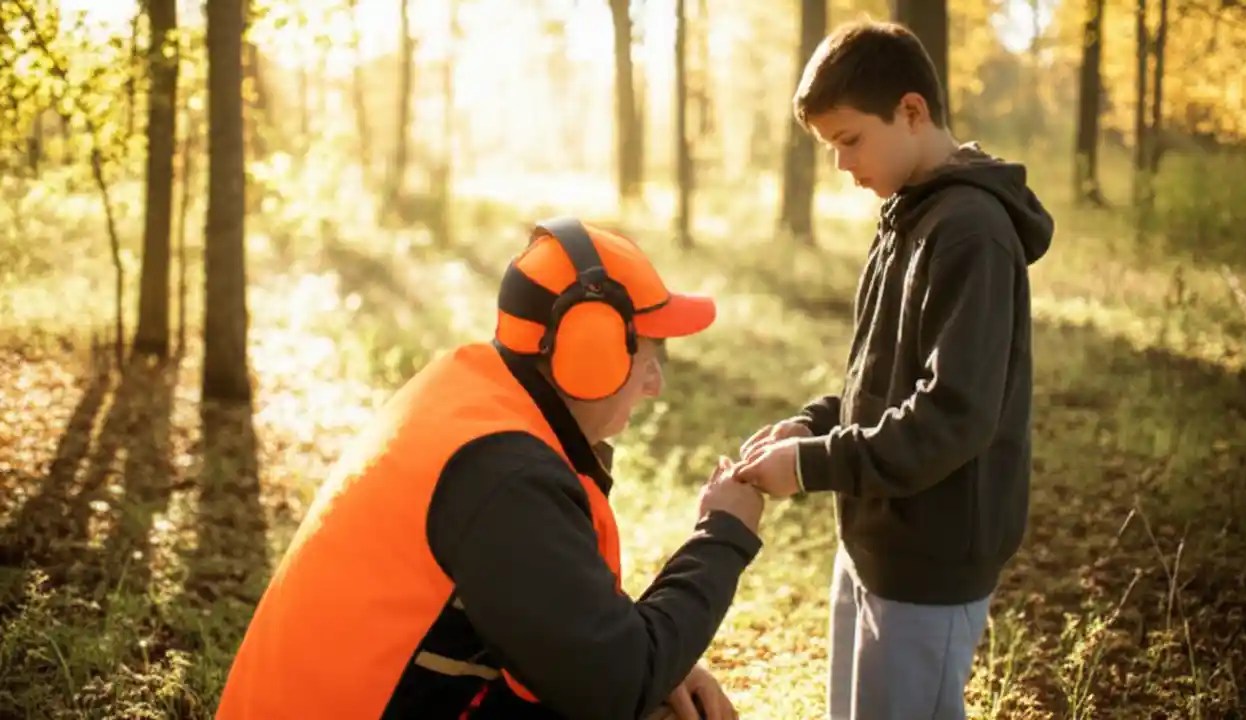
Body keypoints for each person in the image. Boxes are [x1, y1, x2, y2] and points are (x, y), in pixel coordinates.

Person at [218, 218, 765, 720]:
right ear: (589, 348)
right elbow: (614, 689)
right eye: (650, 354)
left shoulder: (474, 402)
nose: (655, 384)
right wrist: (723, 535)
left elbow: (568, 632)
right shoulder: (507, 474)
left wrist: (654, 660)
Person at [733, 20, 1054, 720]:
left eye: (849, 140)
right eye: (829, 147)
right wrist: (812, 424)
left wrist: (813, 465)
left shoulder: (970, 230)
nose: (842, 165)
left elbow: (954, 414)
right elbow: (880, 376)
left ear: (911, 112)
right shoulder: (907, 215)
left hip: (931, 554)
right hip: (876, 534)